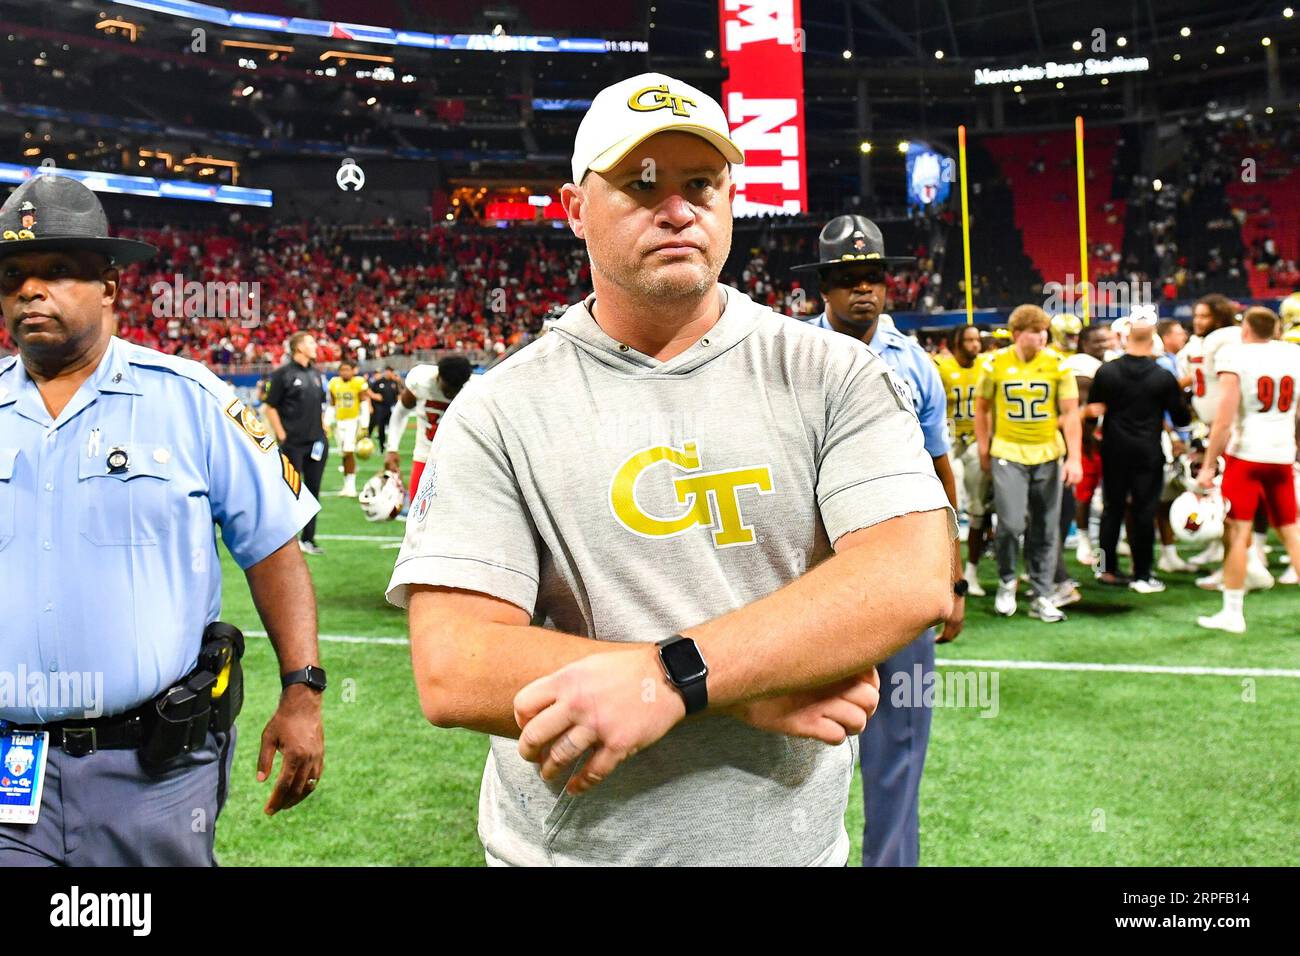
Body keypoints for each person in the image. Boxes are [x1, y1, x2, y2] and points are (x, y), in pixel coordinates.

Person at [386, 72, 956, 867]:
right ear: (574, 207)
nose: (678, 207)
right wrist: (735, 683)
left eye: (702, 183)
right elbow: (454, 664)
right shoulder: (498, 409)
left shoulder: (837, 374)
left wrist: (678, 680)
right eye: (640, 182)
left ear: (731, 198)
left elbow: (911, 575)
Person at [0, 174, 326, 866]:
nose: (30, 290)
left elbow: (274, 550)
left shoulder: (196, 399)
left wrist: (303, 692)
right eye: (13, 275)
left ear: (111, 287)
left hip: (154, 770)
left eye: (57, 271)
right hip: (10, 771)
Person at [792, 214, 964, 868]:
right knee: (799, 746)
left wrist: (953, 577)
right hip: (811, 580)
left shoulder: (916, 364)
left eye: (873, 277)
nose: (863, 290)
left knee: (899, 751)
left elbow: (938, 472)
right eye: (847, 279)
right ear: (824, 289)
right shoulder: (787, 353)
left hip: (899, 576)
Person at [975, 305, 1083, 621]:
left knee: (1047, 528)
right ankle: (1008, 581)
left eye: (1044, 331)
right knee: (1010, 524)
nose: (1042, 337)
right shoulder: (994, 363)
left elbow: (1071, 414)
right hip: (1008, 452)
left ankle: (1043, 593)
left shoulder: (1058, 365)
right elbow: (981, 409)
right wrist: (984, 447)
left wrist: (1074, 457)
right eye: (1035, 331)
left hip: (1048, 452)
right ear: (1017, 334)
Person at [1195, 307, 1300, 633]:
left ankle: (1233, 612)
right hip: (1282, 453)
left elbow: (1224, 419)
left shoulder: (1236, 356)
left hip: (1246, 455)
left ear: (1245, 329)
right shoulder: (1292, 354)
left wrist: (1209, 464)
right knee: (1291, 532)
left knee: (1236, 533)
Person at [1084, 315, 1192, 592]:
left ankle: (1104, 569)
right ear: (1154, 337)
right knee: (1144, 512)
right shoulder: (1163, 375)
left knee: (1112, 509)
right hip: (1147, 451)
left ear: (1127, 336)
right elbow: (1180, 417)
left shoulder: (1107, 371)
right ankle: (1142, 573)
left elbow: (1093, 413)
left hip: (1114, 449)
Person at [936, 324, 993, 596]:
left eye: (976, 340)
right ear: (956, 343)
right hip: (947, 442)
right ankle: (945, 568)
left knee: (979, 508)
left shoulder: (986, 366)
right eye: (969, 340)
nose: (975, 345)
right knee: (950, 506)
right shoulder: (940, 368)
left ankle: (971, 569)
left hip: (974, 441)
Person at [265, 332, 328, 554]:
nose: (315, 346)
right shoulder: (282, 374)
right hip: (293, 444)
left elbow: (320, 404)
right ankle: (286, 541)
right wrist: (282, 435)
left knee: (313, 491)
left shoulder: (317, 374)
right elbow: (270, 406)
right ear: (299, 347)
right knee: (290, 493)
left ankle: (308, 539)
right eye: (311, 342)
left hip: (317, 443)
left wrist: (322, 429)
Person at [383, 355, 474, 499]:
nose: (450, 393)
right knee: (417, 516)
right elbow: (400, 412)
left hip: (460, 460)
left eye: (455, 388)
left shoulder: (475, 389)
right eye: (447, 386)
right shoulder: (421, 380)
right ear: (439, 376)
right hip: (425, 456)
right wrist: (392, 448)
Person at [1154, 319, 1196, 573]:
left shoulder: (1173, 360)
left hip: (1177, 433)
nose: (1184, 337)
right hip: (1169, 435)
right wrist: (1173, 436)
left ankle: (1169, 551)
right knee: (1165, 496)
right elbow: (1161, 404)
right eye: (1179, 333)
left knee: (1172, 495)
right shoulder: (1163, 363)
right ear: (1166, 336)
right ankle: (1166, 553)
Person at [326, 359, 372, 498]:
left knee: (349, 451)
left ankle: (351, 486)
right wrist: (327, 422)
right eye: (342, 370)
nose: (344, 372)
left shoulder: (358, 382)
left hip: (353, 421)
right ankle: (346, 485)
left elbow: (364, 403)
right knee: (344, 454)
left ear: (353, 370)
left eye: (347, 369)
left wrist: (364, 424)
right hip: (339, 422)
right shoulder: (334, 383)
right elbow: (332, 404)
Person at [369, 366, 401, 449]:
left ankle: (392, 444)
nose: (389, 373)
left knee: (393, 427)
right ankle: (381, 446)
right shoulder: (379, 382)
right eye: (387, 371)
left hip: (392, 407)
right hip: (380, 408)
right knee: (381, 427)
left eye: (391, 371)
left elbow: (398, 395)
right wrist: (374, 396)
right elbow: (369, 391)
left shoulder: (394, 382)